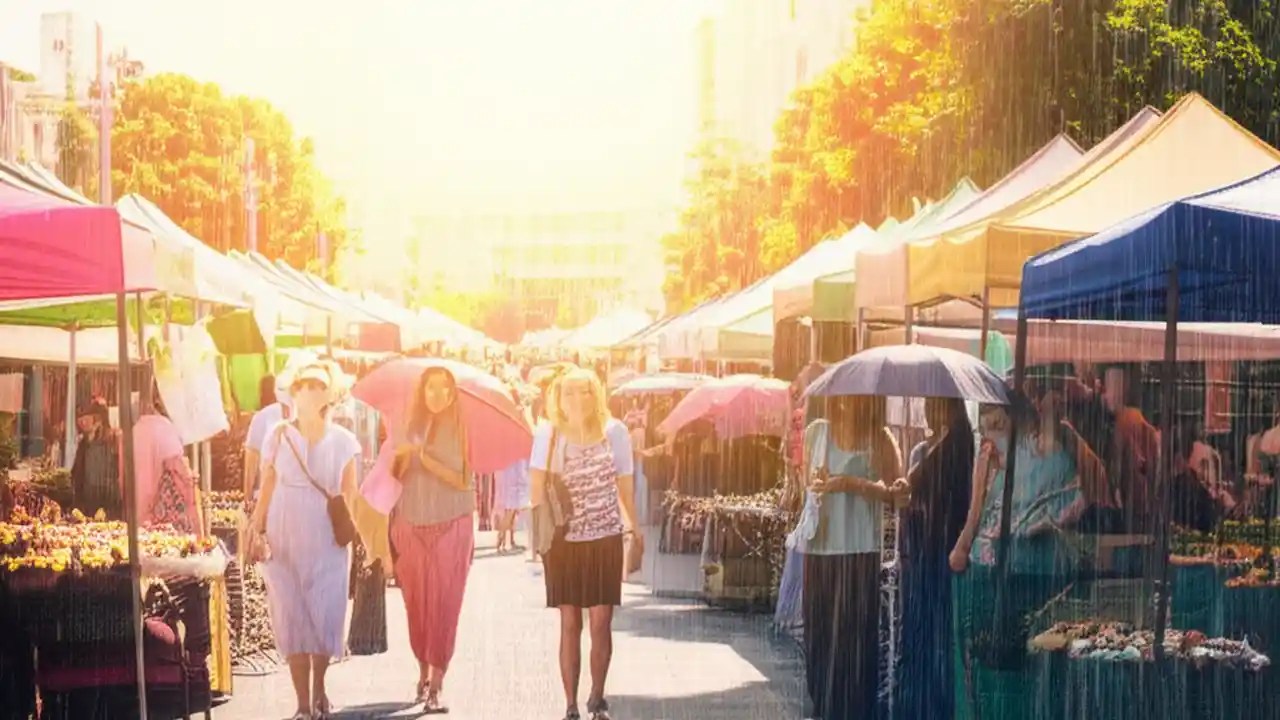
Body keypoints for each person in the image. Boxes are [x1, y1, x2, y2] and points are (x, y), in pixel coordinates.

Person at [248, 362, 360, 720]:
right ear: (293, 391)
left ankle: (319, 690)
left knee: (324, 610)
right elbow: (267, 483)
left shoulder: (344, 441)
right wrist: (256, 527)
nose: (310, 390)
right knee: (291, 611)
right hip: (284, 530)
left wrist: (359, 536)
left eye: (318, 385)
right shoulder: (278, 434)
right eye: (304, 385)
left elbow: (351, 495)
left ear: (330, 393)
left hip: (326, 534)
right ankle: (301, 703)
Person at [530, 367, 639, 720]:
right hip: (564, 540)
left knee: (601, 621)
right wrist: (539, 539)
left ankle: (597, 697)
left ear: (597, 395)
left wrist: (634, 527)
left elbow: (624, 485)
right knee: (569, 622)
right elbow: (536, 490)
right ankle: (570, 705)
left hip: (605, 536)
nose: (578, 399)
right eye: (570, 393)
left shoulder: (615, 432)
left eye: (585, 392)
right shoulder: (548, 434)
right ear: (558, 399)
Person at [791, 395, 902, 720]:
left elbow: (897, 492)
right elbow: (804, 486)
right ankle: (824, 709)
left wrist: (851, 484)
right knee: (820, 639)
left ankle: (853, 712)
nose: (848, 402)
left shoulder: (879, 437)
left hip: (859, 551)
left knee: (855, 643)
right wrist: (815, 486)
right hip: (820, 550)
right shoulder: (817, 433)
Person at [388, 366, 475, 713]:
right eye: (430, 388)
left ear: (454, 393)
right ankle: (421, 672)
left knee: (446, 603)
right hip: (410, 520)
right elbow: (393, 476)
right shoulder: (408, 425)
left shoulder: (464, 429)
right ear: (421, 392)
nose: (437, 394)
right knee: (416, 604)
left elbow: (464, 479)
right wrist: (402, 455)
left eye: (445, 388)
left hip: (453, 521)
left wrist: (424, 457)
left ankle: (438, 681)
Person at [893, 397, 973, 719]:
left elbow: (916, 486)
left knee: (930, 634)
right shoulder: (952, 447)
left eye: (930, 403)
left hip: (936, 552)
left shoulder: (950, 449)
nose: (925, 409)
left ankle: (925, 705)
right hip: (936, 548)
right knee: (937, 634)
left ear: (946, 408)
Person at [71, 400, 122, 518]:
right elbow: (77, 475)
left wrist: (108, 510)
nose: (82, 421)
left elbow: (113, 477)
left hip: (106, 507)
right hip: (85, 507)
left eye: (86, 417)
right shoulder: (83, 444)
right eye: (80, 417)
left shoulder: (110, 441)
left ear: (98, 420)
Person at [244, 374, 290, 502]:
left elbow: (251, 460)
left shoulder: (262, 417)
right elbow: (252, 458)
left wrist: (247, 497)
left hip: (269, 496)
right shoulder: (264, 417)